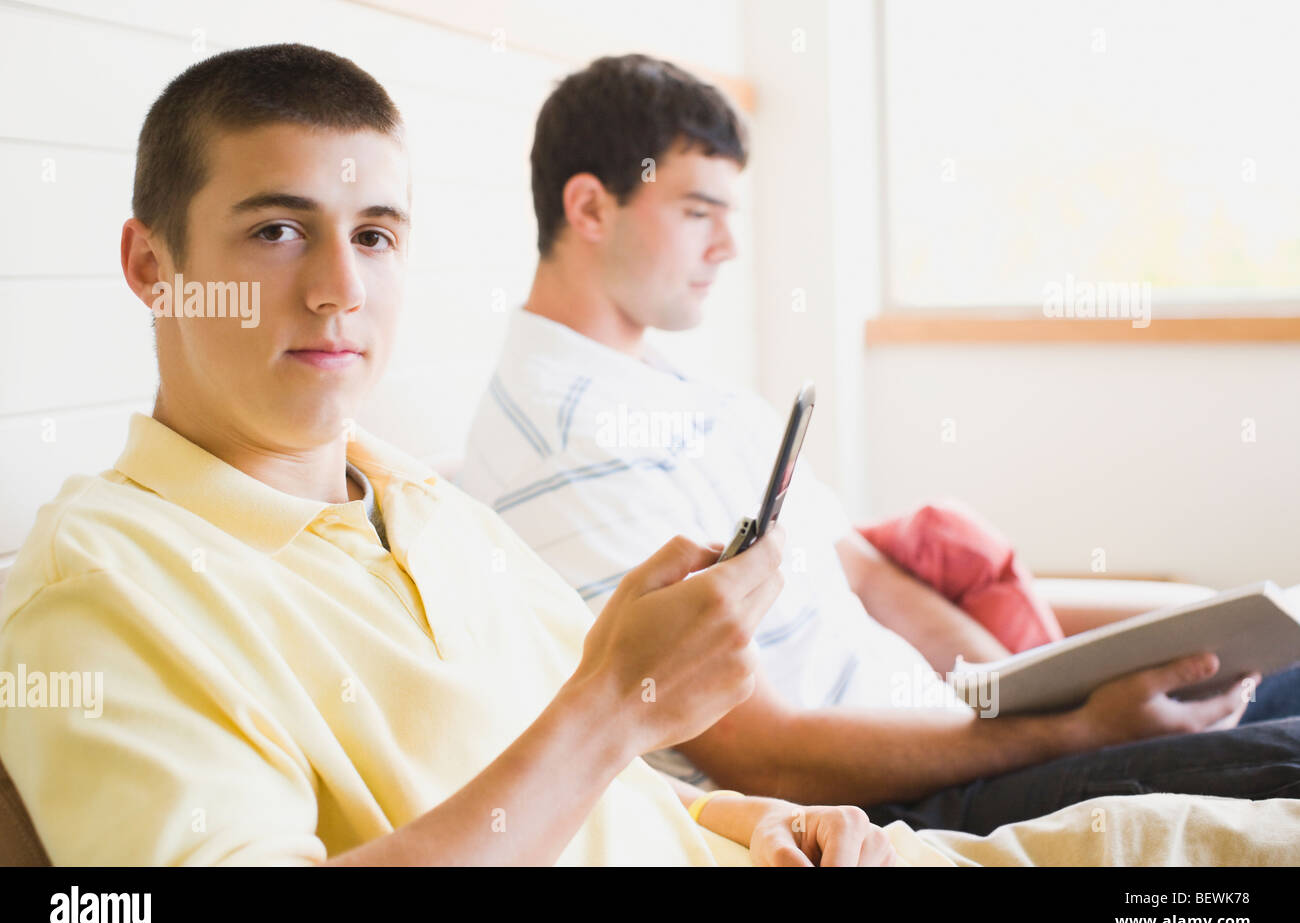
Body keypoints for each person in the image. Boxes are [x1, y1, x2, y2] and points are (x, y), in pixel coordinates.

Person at [0, 43, 902, 867]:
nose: (339, 291)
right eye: (278, 230)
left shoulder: (429, 504)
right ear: (152, 267)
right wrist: (619, 699)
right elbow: (589, 739)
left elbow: (589, 787)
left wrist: (751, 819)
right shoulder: (100, 588)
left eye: (374, 236)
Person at [456, 53, 1300, 835]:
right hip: (901, 801)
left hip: (966, 733)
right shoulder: (564, 446)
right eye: (696, 211)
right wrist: (1072, 733)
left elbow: (860, 570)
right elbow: (764, 753)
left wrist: (1025, 687)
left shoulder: (679, 388)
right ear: (590, 207)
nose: (728, 246)